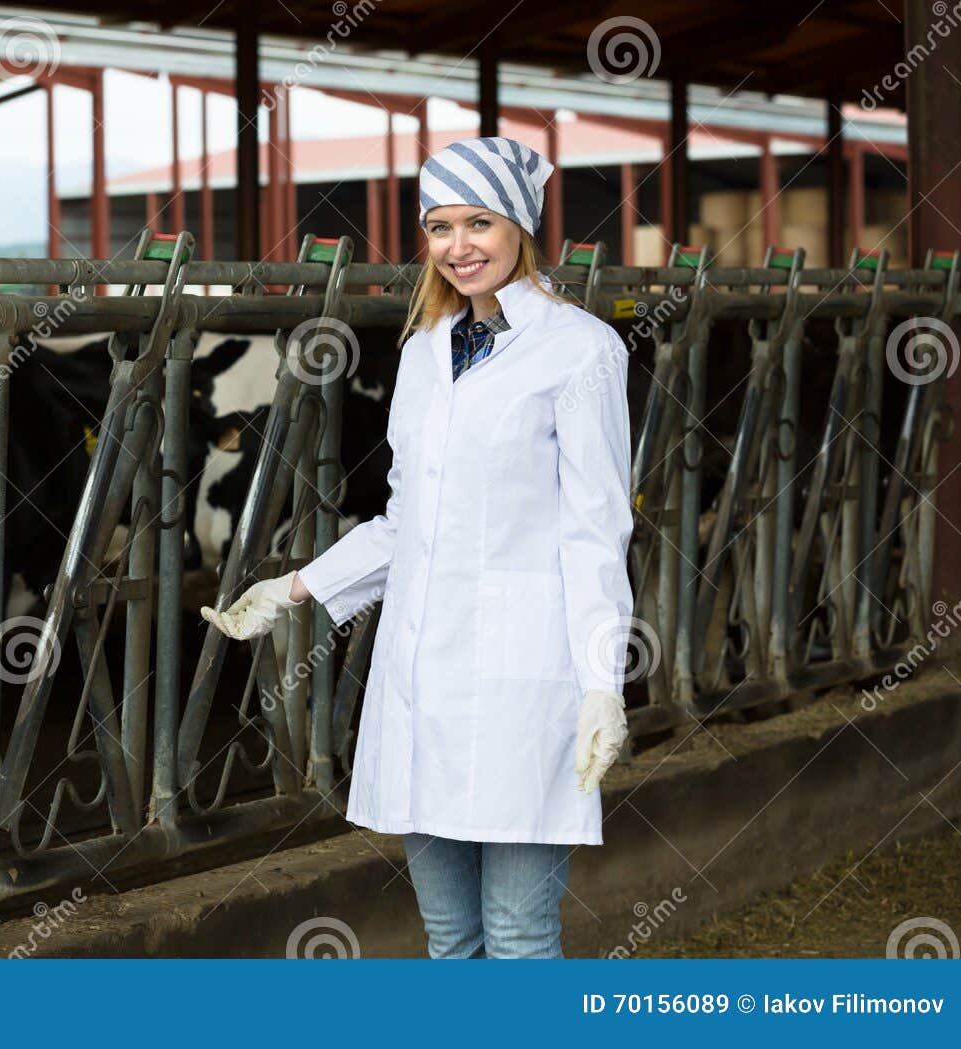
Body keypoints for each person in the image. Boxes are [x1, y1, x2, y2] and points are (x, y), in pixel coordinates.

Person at [201, 136, 635, 959]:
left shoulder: (581, 350)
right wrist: (294, 587)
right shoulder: (424, 351)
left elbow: (596, 533)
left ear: (520, 226)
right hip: (422, 679)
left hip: (524, 681)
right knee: (449, 937)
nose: (458, 246)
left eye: (479, 223)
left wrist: (601, 685)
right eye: (440, 227)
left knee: (518, 934)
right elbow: (408, 521)